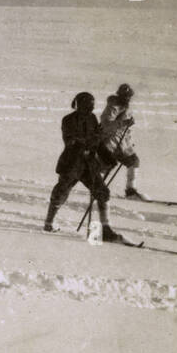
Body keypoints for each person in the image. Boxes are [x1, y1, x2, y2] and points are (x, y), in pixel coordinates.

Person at [45, 92, 125, 242]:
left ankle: (106, 229)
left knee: (102, 192)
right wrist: (92, 139)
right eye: (89, 104)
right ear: (80, 104)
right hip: (72, 163)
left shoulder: (92, 118)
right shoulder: (68, 120)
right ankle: (49, 222)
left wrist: (108, 157)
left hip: (88, 165)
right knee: (61, 192)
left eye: (93, 104)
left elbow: (97, 142)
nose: (92, 107)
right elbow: (71, 141)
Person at [99, 83, 143, 200]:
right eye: (125, 96)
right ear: (120, 95)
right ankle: (97, 188)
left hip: (122, 144)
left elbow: (125, 129)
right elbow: (105, 124)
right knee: (106, 165)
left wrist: (129, 141)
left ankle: (130, 191)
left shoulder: (125, 107)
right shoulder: (113, 106)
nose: (127, 98)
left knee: (133, 161)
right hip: (110, 143)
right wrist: (123, 123)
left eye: (129, 96)